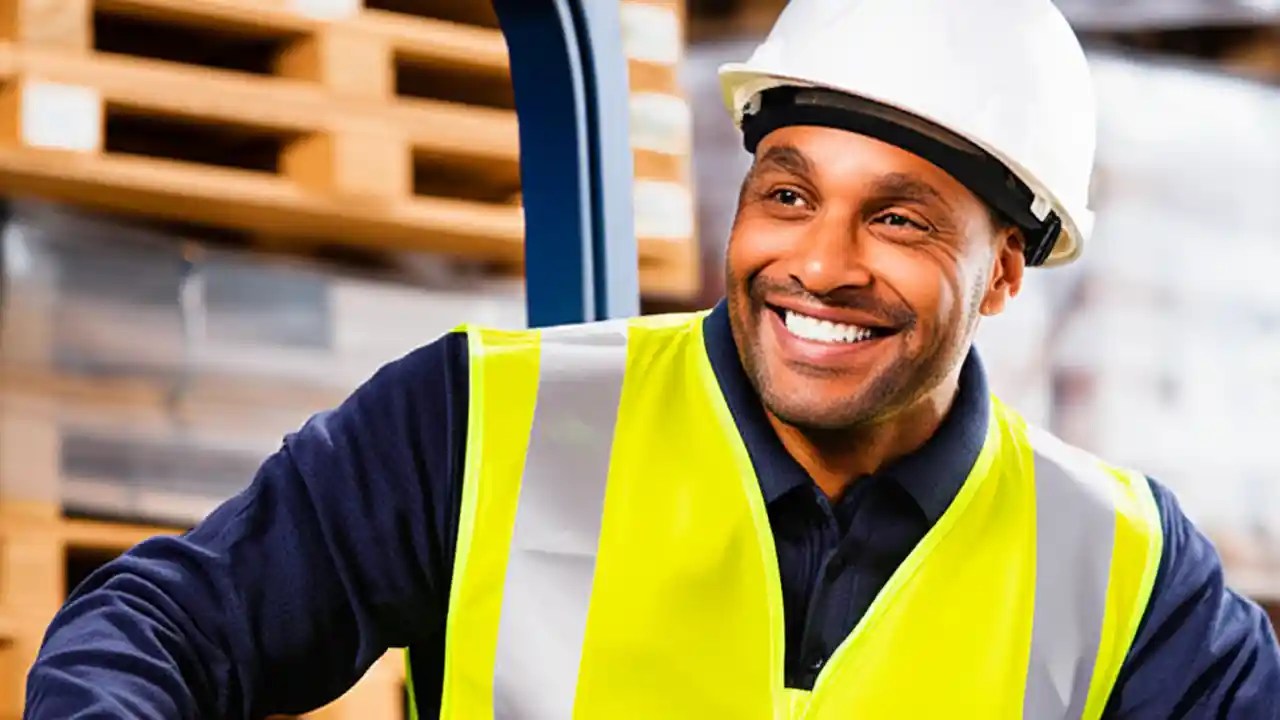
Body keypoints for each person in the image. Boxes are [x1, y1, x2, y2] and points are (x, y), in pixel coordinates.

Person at [24, 0, 1280, 717]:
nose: (821, 263)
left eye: (896, 219)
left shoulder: (1118, 571)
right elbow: (164, 628)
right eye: (786, 194)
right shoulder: (488, 420)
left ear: (1005, 269)